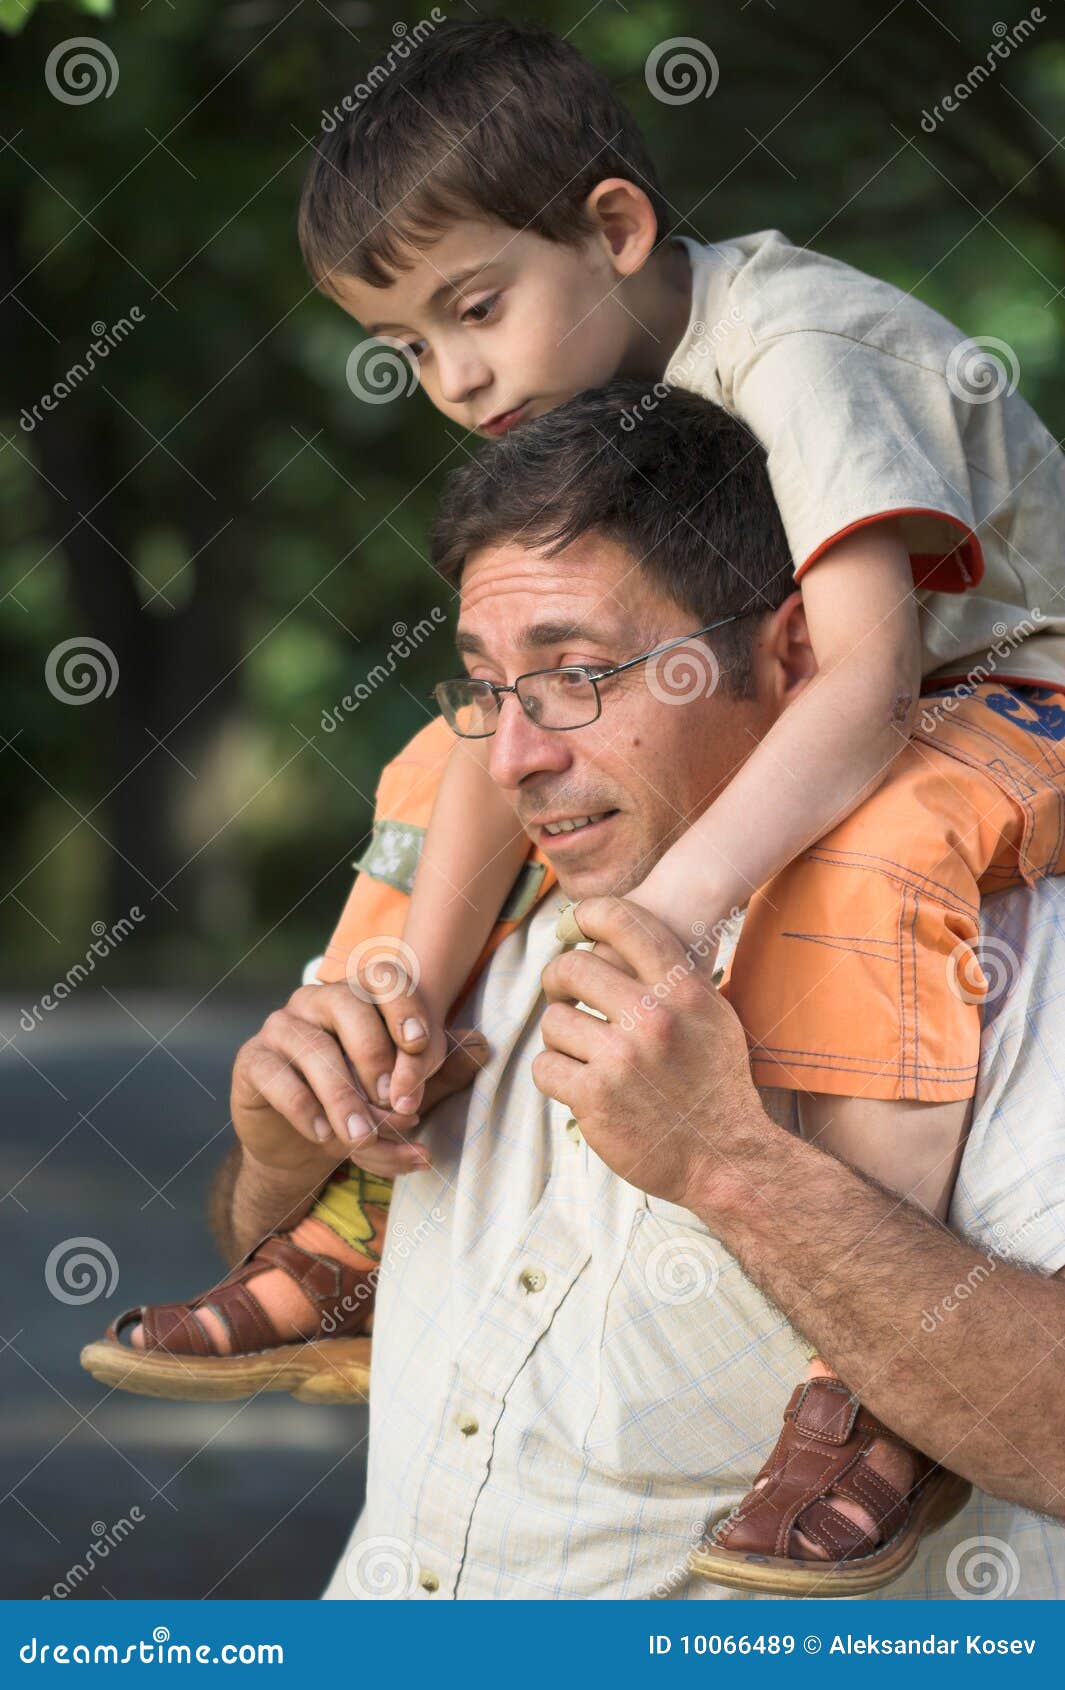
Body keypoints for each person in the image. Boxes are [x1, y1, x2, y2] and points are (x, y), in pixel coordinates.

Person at [86, 388, 1065, 1597]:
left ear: (795, 656)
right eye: (486, 687)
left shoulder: (1004, 954)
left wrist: (732, 1167)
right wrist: (281, 1159)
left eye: (580, 674)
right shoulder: (472, 911)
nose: (513, 758)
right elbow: (272, 1250)